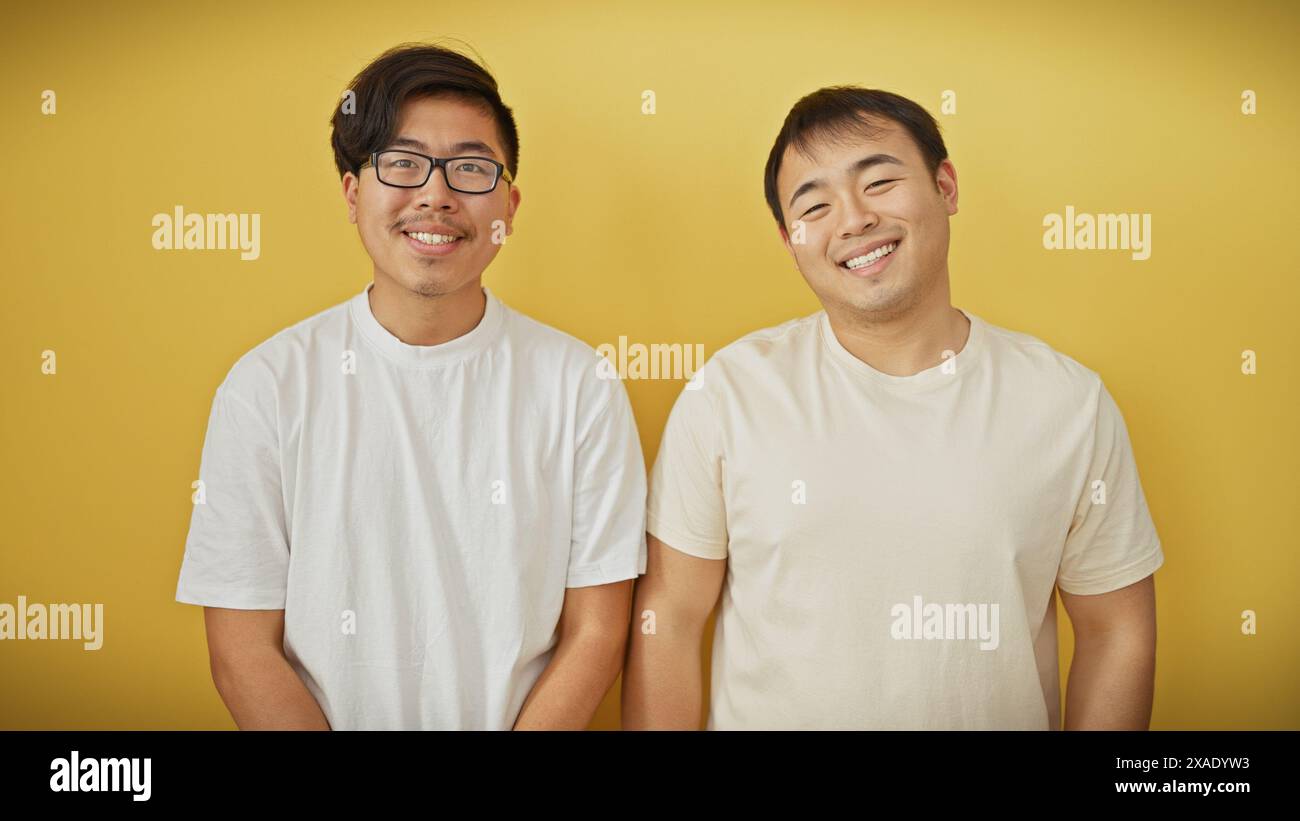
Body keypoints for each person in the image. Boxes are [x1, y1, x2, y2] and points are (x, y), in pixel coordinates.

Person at [623, 86, 1163, 730]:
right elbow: (671, 621)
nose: (852, 220)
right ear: (788, 238)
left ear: (946, 187)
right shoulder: (729, 394)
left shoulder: (1067, 401)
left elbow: (1116, 633)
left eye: (878, 182)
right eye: (815, 205)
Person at [175, 43, 646, 730]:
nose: (436, 194)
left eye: (470, 168)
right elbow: (241, 649)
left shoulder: (581, 385)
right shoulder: (266, 385)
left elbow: (597, 634)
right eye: (401, 163)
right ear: (351, 192)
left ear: (508, 205)